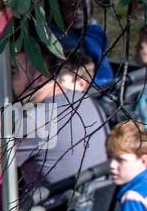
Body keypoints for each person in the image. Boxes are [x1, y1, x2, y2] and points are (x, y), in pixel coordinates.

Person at [14, 50, 109, 192]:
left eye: (14, 72)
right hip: (95, 201)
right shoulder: (88, 102)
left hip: (54, 209)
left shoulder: (38, 119)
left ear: (40, 78)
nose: (9, 79)